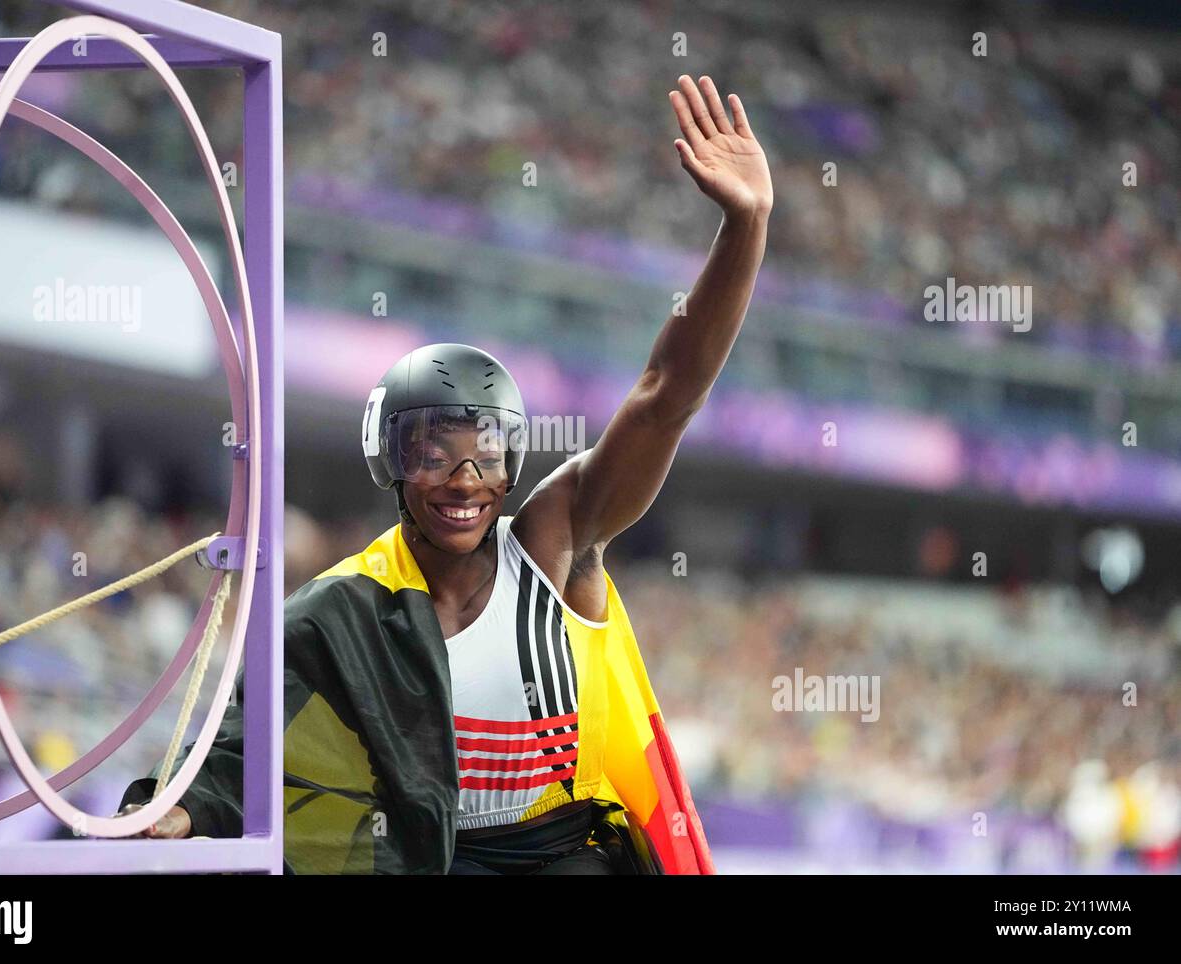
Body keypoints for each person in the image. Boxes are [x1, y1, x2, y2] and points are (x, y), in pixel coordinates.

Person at [119, 74, 771, 874]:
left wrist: (746, 225)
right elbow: (241, 747)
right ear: (388, 460)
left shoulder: (555, 543)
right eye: (432, 451)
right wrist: (178, 807)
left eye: (486, 451)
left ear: (511, 464)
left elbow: (666, 396)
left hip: (569, 858)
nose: (464, 478)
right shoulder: (340, 611)